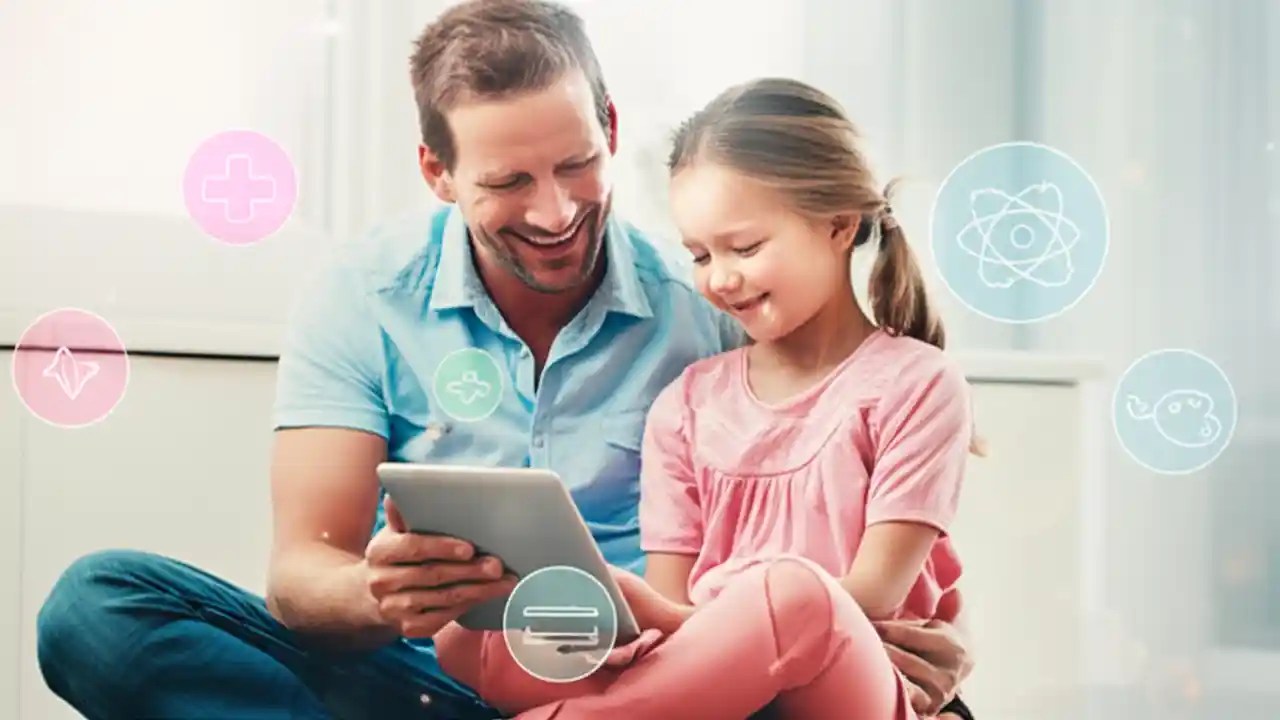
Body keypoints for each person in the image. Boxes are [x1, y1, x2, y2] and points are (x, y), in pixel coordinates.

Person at [33, 2, 975, 719]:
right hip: (445, 665)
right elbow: (299, 571)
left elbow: (850, 507)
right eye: (508, 181)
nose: (556, 210)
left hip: (659, 673)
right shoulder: (361, 297)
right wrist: (383, 590)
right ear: (437, 173)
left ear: (610, 127)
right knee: (97, 609)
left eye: (574, 165)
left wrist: (927, 637)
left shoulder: (712, 308)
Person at [429, 76, 981, 720]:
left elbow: (870, 600)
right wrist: (639, 609)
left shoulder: (917, 385)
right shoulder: (687, 406)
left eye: (745, 248)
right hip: (714, 681)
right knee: (470, 637)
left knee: (798, 598)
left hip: (846, 679)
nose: (719, 278)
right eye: (698, 254)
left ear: (838, 225)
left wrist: (701, 622)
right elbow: (674, 611)